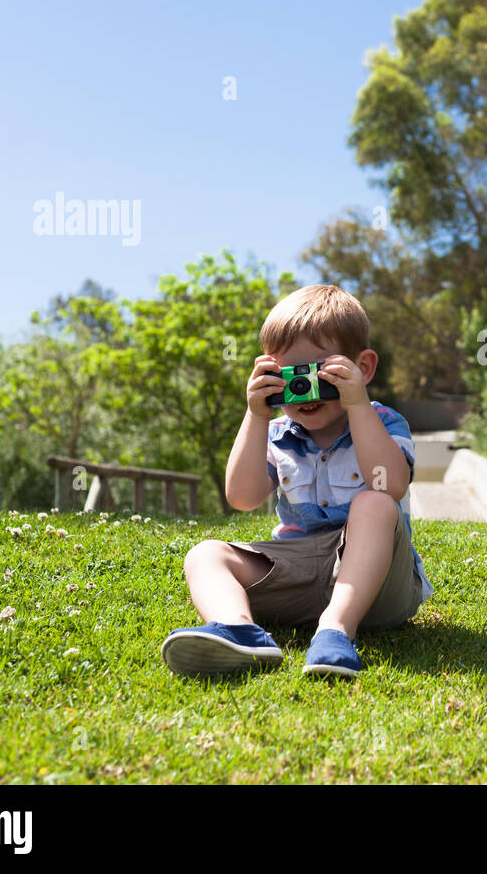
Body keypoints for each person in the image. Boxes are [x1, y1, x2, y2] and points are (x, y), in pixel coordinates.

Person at [159, 284, 432, 678]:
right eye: (290, 375)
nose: (305, 389)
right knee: (205, 554)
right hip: (301, 577)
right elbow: (242, 497)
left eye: (321, 371)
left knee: (374, 503)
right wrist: (256, 416)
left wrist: (356, 404)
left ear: (363, 368)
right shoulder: (276, 435)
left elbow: (390, 486)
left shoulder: (384, 422)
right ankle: (240, 629)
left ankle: (337, 630)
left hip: (381, 589)